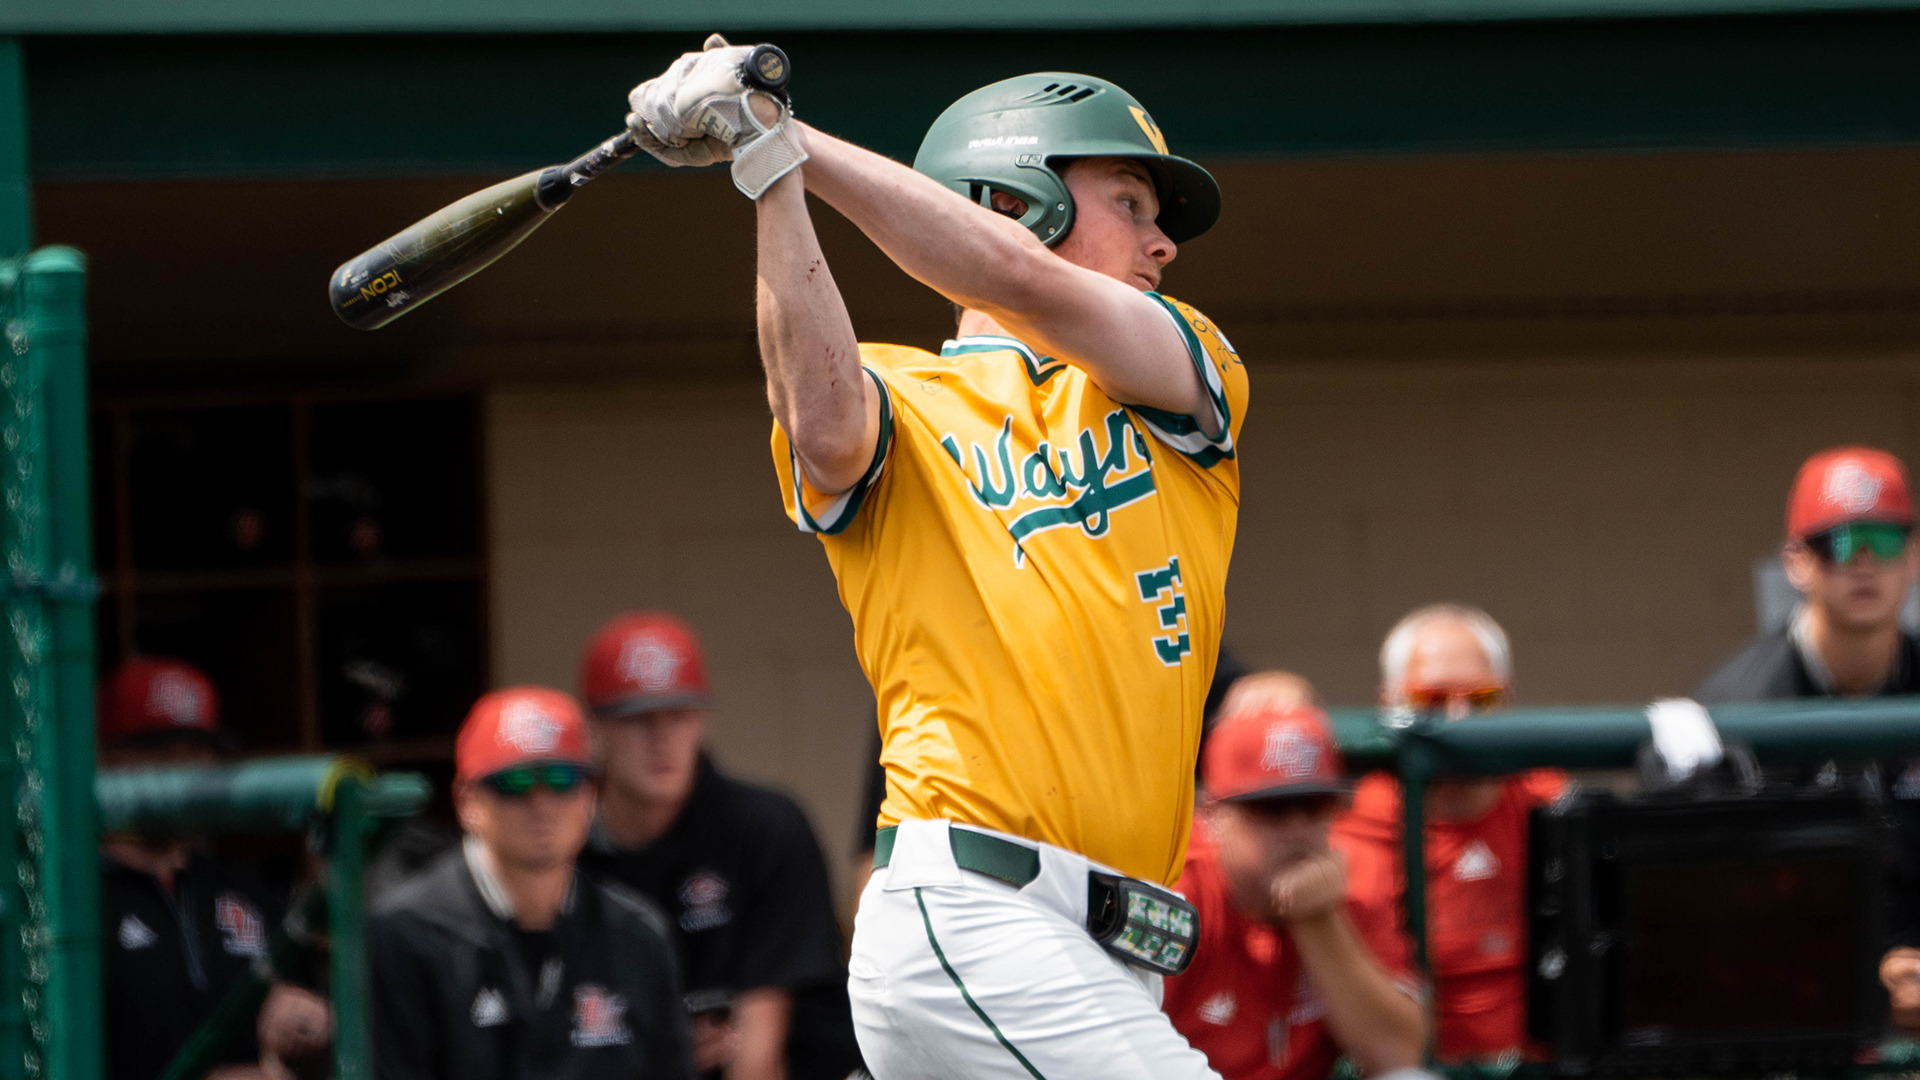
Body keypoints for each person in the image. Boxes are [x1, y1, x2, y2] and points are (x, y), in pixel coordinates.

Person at [624, 40, 1245, 1078]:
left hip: (1105, 946)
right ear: (1013, 199)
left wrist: (788, 137)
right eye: (1132, 202)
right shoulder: (898, 395)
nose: (1163, 242)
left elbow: (1017, 282)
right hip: (977, 916)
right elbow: (823, 432)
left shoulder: (1189, 371)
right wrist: (769, 171)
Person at [575, 612, 862, 1080]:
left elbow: (758, 1059)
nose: (663, 740)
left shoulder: (766, 827)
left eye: (680, 715)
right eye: (640, 720)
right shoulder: (565, 855)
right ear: (594, 729)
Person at [1689, 446, 1920, 1030]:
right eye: (1837, 544)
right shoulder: (1737, 707)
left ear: (1913, 556)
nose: (1863, 563)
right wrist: (1861, 968)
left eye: (1884, 542)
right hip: (1793, 1006)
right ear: (1796, 561)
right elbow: (1717, 902)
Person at [369, 686, 694, 1080]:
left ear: (590, 796)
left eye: (562, 779)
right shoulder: (406, 935)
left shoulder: (638, 934)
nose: (542, 804)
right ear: (466, 802)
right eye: (515, 782)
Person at [1332, 605, 1565, 1061]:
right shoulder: (1354, 828)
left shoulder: (1550, 802)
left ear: (1507, 699)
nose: (1458, 720)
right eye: (1431, 699)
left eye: (1479, 700)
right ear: (1388, 703)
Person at [97, 657, 333, 1080]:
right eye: (164, 752)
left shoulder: (248, 896)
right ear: (106, 758)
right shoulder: (71, 905)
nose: (188, 772)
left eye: (199, 752)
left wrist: (306, 1021)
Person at [1164, 702, 1426, 1080]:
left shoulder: (1358, 879)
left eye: (1316, 805)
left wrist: (1319, 919)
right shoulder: (1178, 891)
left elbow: (1398, 1055)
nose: (1298, 828)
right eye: (1272, 808)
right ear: (1214, 816)